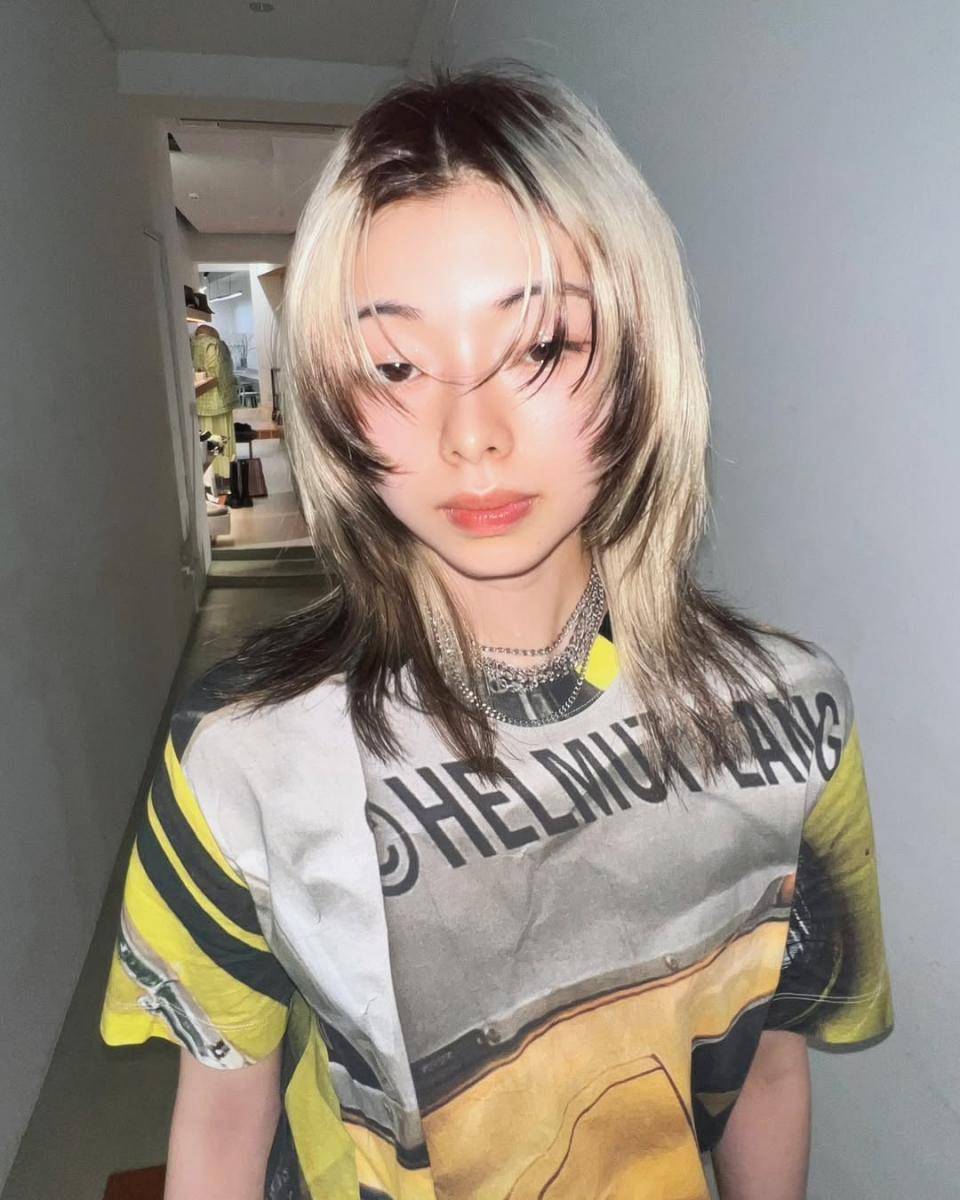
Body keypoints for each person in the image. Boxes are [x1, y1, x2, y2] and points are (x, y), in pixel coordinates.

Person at [99, 64, 893, 1200]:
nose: (469, 433)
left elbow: (766, 1069)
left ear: (639, 355)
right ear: (329, 394)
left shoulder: (788, 717)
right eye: (394, 365)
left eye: (540, 349)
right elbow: (226, 1117)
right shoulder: (245, 757)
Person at [192, 321, 250, 508]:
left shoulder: (190, 345)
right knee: (224, 441)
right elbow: (220, 373)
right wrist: (231, 388)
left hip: (201, 402)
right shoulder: (215, 345)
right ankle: (229, 481)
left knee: (207, 443)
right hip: (220, 401)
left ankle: (212, 483)